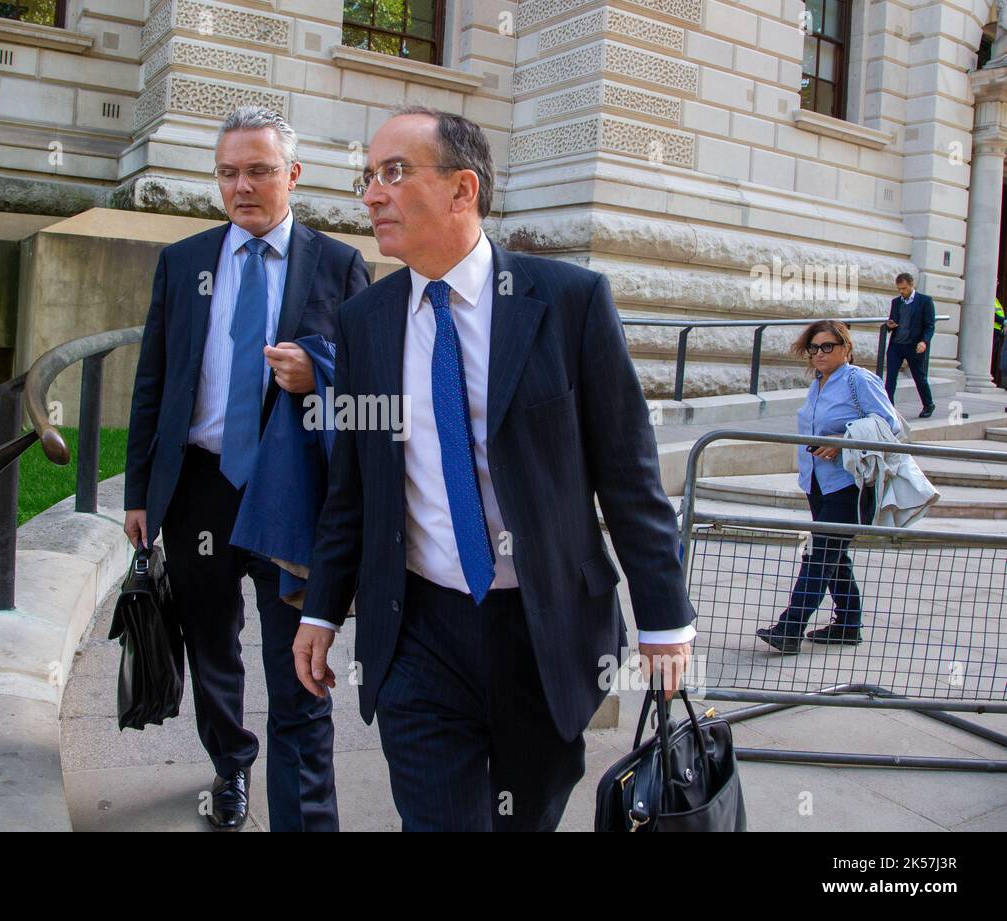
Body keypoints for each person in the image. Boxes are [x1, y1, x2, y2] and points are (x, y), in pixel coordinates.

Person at [291, 106, 695, 832]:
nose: (372, 194)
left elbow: (628, 472)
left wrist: (665, 616)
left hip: (544, 629)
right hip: (417, 627)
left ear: (462, 189)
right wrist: (322, 605)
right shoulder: (365, 322)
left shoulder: (569, 302)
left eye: (394, 172)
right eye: (367, 177)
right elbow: (354, 486)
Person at [122, 106, 370, 831]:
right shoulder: (185, 261)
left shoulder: (337, 264)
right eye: (228, 172)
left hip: (289, 498)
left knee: (301, 666)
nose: (242, 186)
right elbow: (154, 380)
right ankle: (231, 763)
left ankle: (305, 814)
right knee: (210, 645)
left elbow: (367, 389)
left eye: (259, 170)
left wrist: (317, 379)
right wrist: (141, 489)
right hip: (199, 488)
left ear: (292, 175)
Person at [755, 320, 901, 654]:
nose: (819, 354)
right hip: (817, 482)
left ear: (845, 348)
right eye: (814, 348)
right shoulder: (819, 383)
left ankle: (790, 627)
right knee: (833, 556)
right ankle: (848, 625)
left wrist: (843, 440)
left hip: (849, 484)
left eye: (827, 346)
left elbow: (889, 423)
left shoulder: (858, 379)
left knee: (819, 555)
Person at [883, 272, 937, 418]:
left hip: (914, 346)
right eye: (899, 289)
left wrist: (924, 342)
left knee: (919, 377)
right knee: (890, 378)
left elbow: (930, 326)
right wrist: (890, 325)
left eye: (904, 288)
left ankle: (928, 404)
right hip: (896, 345)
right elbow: (891, 321)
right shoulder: (896, 302)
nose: (902, 292)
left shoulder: (925, 301)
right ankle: (889, 409)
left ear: (912, 285)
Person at [992, 295, 1004, 389]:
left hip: (998, 331)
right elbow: (992, 314)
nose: (998, 283)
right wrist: (1003, 321)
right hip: (993, 330)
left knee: (994, 355)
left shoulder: (996, 299)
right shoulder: (991, 298)